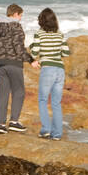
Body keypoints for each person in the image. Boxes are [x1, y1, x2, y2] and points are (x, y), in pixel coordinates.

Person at [0, 3, 36, 133]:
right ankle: (14, 121)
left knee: (3, 94)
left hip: (1, 64)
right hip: (14, 64)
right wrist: (31, 60)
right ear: (15, 14)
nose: (20, 18)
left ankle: (1, 125)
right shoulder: (16, 26)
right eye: (20, 15)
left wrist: (1, 54)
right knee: (18, 92)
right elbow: (18, 47)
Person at [29, 7, 70, 140]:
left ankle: (46, 129)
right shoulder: (60, 34)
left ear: (41, 21)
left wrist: (31, 49)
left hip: (47, 69)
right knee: (56, 103)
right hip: (60, 69)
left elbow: (34, 53)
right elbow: (66, 53)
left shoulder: (39, 34)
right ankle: (57, 134)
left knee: (42, 100)